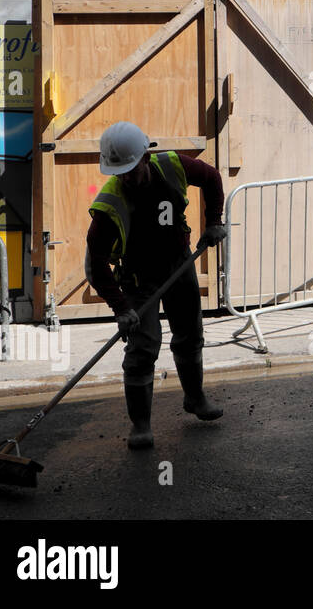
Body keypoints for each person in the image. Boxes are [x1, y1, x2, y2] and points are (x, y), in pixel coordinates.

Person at [85, 122, 229, 450]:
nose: (126, 177)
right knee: (142, 348)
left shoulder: (172, 165)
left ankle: (195, 399)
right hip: (138, 280)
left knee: (190, 334)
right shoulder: (108, 206)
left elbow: (211, 178)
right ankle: (141, 425)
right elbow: (97, 266)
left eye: (131, 170)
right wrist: (121, 308)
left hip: (179, 266)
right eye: (119, 171)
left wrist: (214, 221)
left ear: (146, 157)